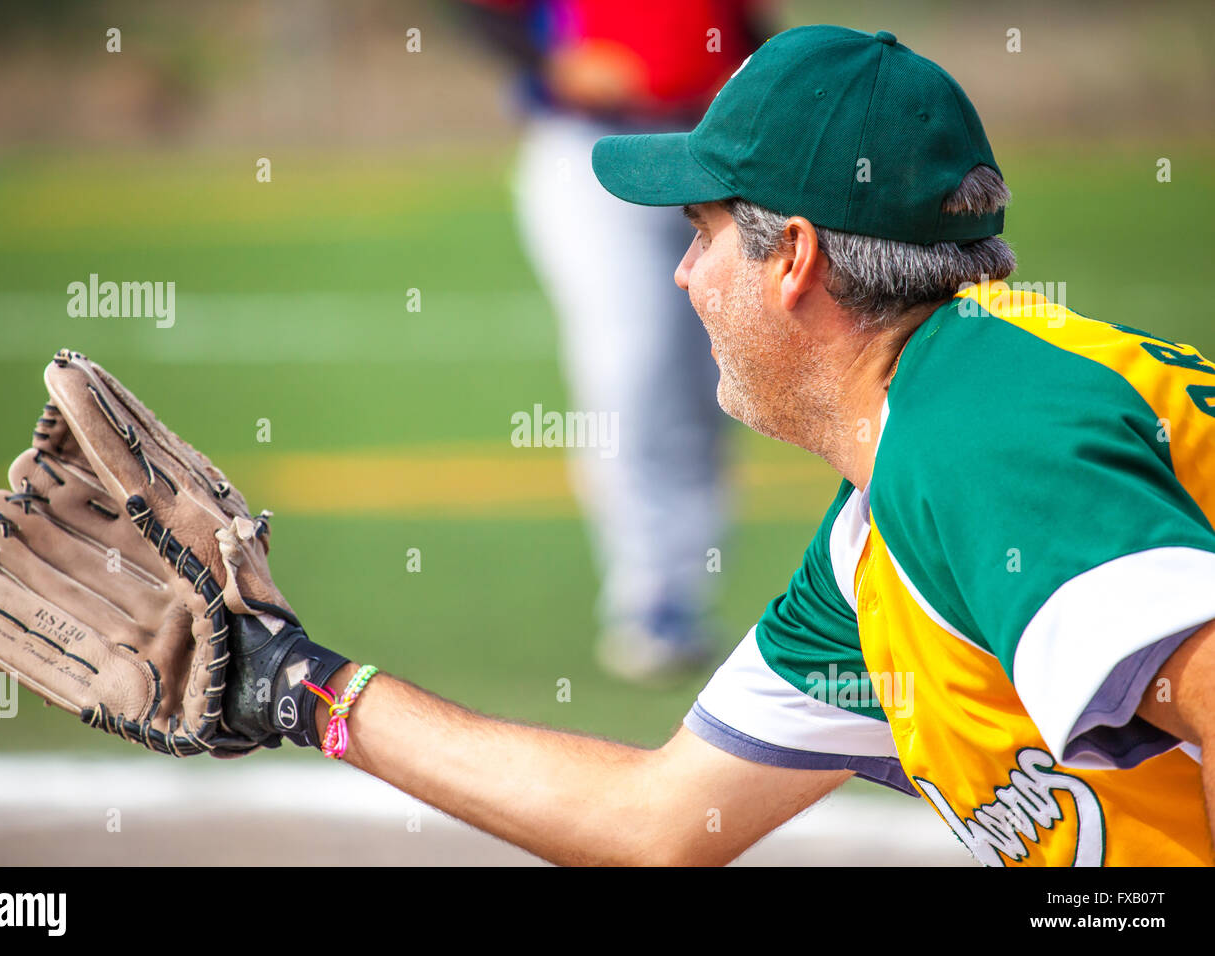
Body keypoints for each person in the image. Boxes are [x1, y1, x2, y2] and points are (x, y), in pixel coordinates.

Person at [285, 25, 1215, 865]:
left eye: (702, 233)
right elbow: (654, 821)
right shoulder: (884, 523)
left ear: (795, 258)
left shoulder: (983, 439)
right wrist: (306, 689)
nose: (685, 274)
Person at [456, 0, 771, 681]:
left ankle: (684, 591)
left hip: (711, 143)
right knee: (631, 366)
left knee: (715, 374)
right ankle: (647, 597)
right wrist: (549, 61)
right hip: (594, 147)